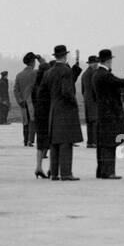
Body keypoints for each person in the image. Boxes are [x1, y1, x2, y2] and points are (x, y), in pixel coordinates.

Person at [92, 49, 124, 179]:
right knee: (110, 143)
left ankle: (101, 171)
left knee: (102, 143)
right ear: (109, 61)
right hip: (111, 113)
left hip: (101, 112)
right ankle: (109, 172)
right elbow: (120, 82)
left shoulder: (96, 75)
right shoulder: (105, 75)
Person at [43, 45, 83, 180]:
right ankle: (66, 173)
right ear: (65, 56)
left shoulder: (49, 72)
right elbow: (67, 91)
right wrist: (73, 102)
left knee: (54, 143)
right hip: (65, 110)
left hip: (53, 109)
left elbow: (42, 92)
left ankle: (54, 173)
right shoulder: (65, 71)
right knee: (66, 142)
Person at [30, 57, 52, 179]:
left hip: (39, 115)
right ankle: (51, 168)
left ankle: (38, 167)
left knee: (40, 142)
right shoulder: (47, 86)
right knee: (52, 142)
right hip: (48, 115)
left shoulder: (35, 86)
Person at [15, 53, 37, 146]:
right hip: (32, 101)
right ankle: (30, 140)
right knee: (32, 120)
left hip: (23, 102)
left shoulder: (19, 75)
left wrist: (20, 100)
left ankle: (25, 140)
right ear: (33, 62)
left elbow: (16, 90)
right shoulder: (35, 73)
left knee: (25, 122)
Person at [81, 54, 100, 148]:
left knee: (89, 122)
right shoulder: (94, 73)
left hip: (87, 100)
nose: (96, 64)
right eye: (94, 62)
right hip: (93, 100)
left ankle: (90, 141)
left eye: (97, 62)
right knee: (95, 121)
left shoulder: (84, 74)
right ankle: (95, 142)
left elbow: (82, 90)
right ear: (90, 63)